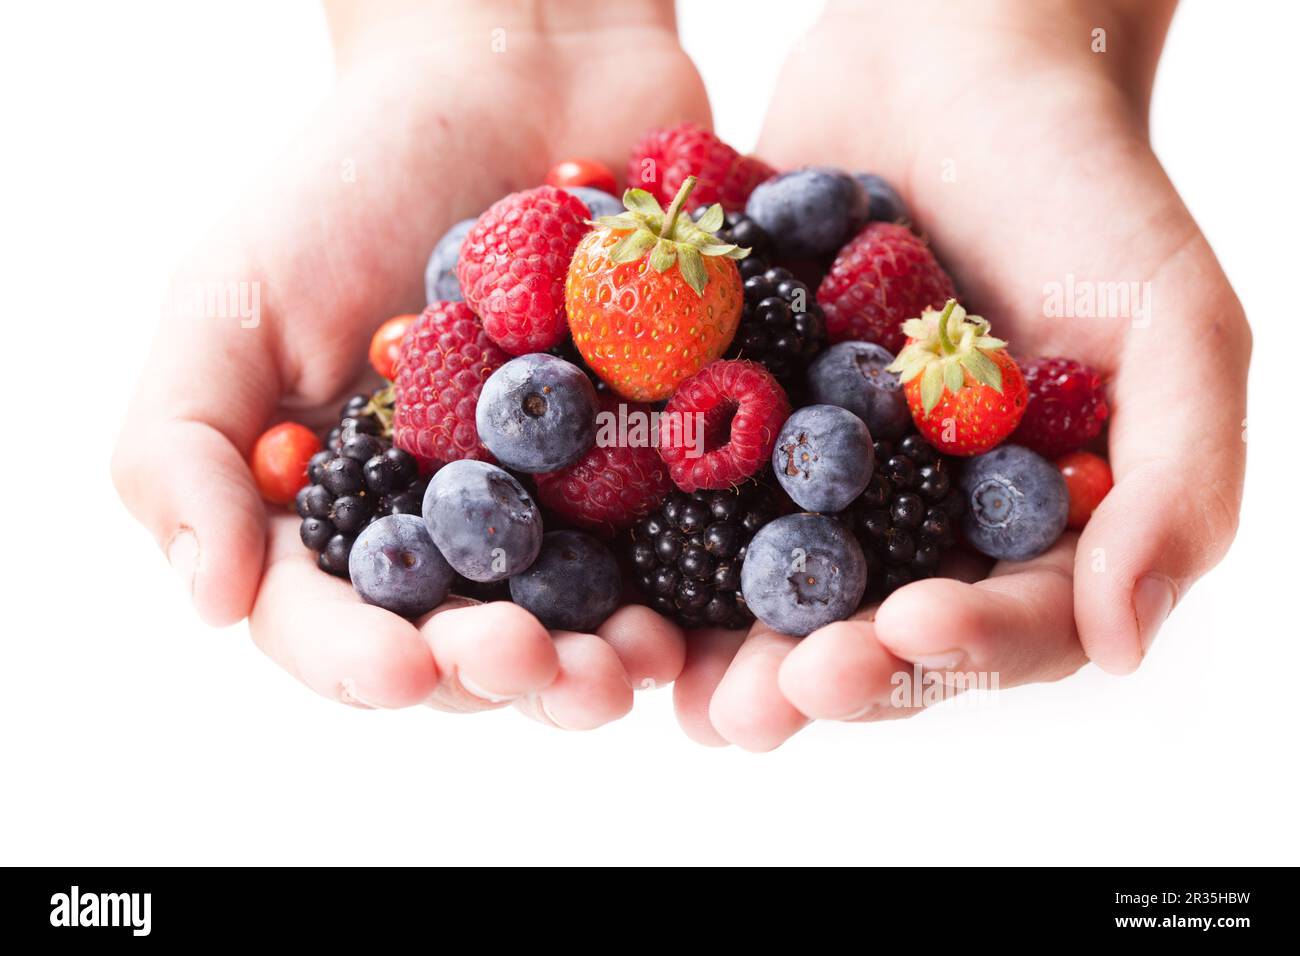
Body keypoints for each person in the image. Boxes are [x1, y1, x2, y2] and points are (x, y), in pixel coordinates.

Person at [112, 0, 1249, 750]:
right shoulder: (571, 316)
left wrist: (1002, 40)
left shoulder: (762, 322)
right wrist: (488, 40)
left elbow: (753, 383)